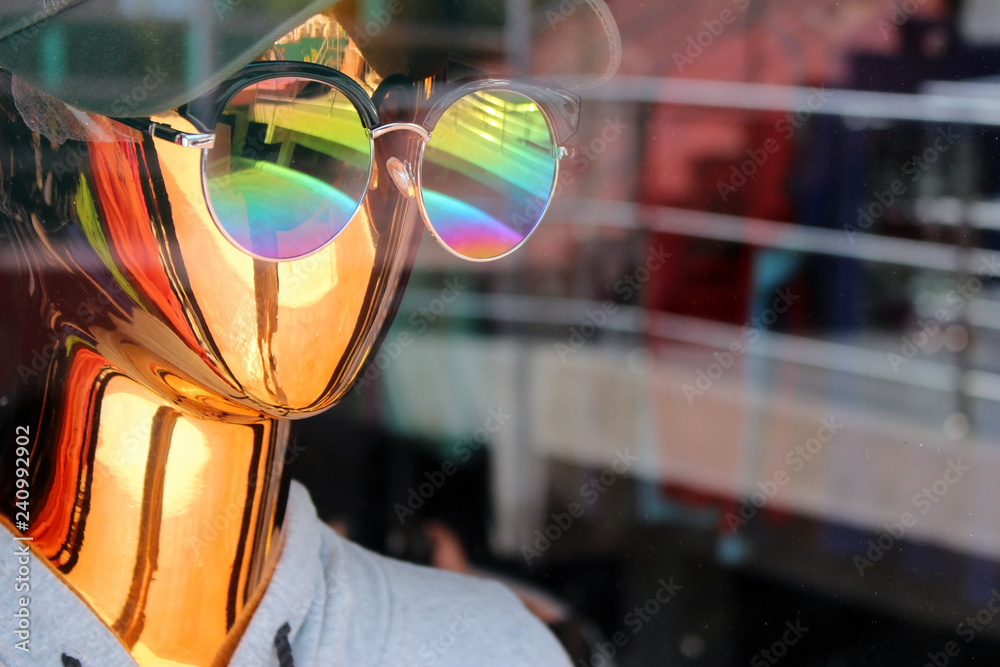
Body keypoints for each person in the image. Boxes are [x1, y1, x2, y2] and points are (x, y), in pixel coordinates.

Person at [0, 0, 620, 665]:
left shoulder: (492, 651)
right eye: (270, 137)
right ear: (35, 161)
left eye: (437, 130)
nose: (381, 208)